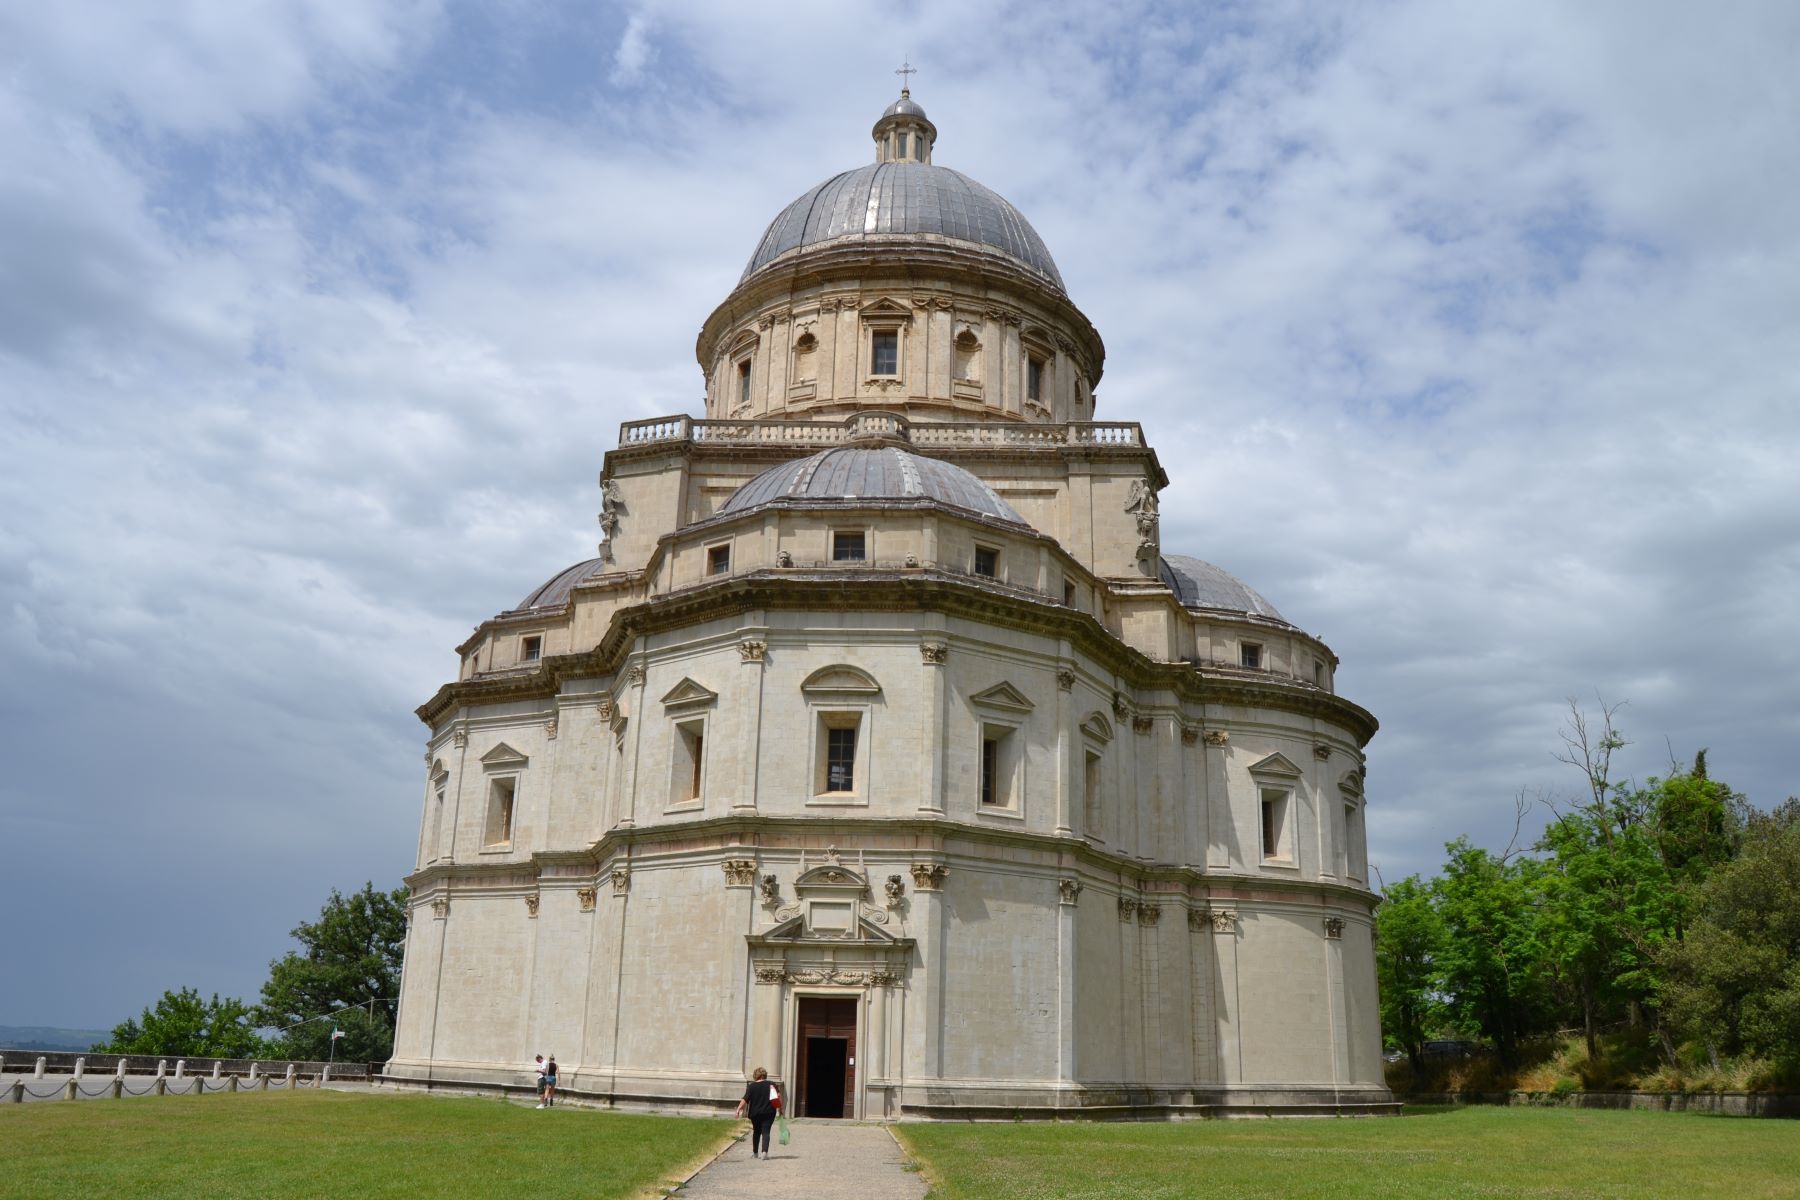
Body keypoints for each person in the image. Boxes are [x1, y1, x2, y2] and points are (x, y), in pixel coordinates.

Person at [732, 1067, 779, 1159]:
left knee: (756, 1132)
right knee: (766, 1132)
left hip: (755, 1113)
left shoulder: (752, 1086)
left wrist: (738, 1109)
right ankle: (764, 1152)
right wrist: (780, 1109)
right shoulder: (771, 1084)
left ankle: (755, 1153)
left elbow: (745, 1099)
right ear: (764, 1075)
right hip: (769, 1112)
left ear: (756, 1075)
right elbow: (777, 1097)